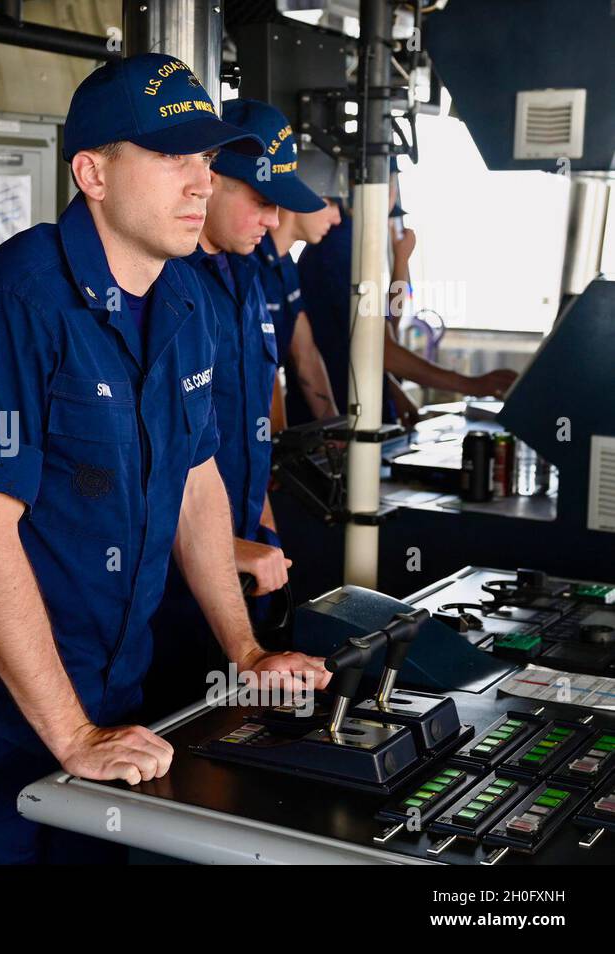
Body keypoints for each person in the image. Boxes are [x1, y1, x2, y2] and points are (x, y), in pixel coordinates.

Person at [0, 55, 330, 865]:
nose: (201, 182)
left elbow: (198, 479)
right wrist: (72, 732)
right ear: (92, 172)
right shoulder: (9, 304)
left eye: (205, 159)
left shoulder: (187, 296)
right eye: (172, 157)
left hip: (115, 700)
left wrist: (246, 650)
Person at [146, 100, 328, 714]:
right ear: (209, 176)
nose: (273, 218)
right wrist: (223, 545)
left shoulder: (247, 275)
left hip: (241, 557)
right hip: (170, 575)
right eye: (260, 197)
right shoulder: (167, 284)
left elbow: (245, 429)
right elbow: (154, 458)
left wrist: (262, 528)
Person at [291, 164, 517, 429]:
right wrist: (471, 384)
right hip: (339, 419)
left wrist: (401, 262)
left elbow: (389, 323)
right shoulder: (340, 251)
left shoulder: (357, 248)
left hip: (363, 410)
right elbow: (380, 346)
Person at [257, 148, 344, 429]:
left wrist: (333, 429)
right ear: (299, 195)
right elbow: (259, 372)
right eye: (330, 202)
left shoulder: (286, 265)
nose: (337, 218)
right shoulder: (249, 264)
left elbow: (304, 353)